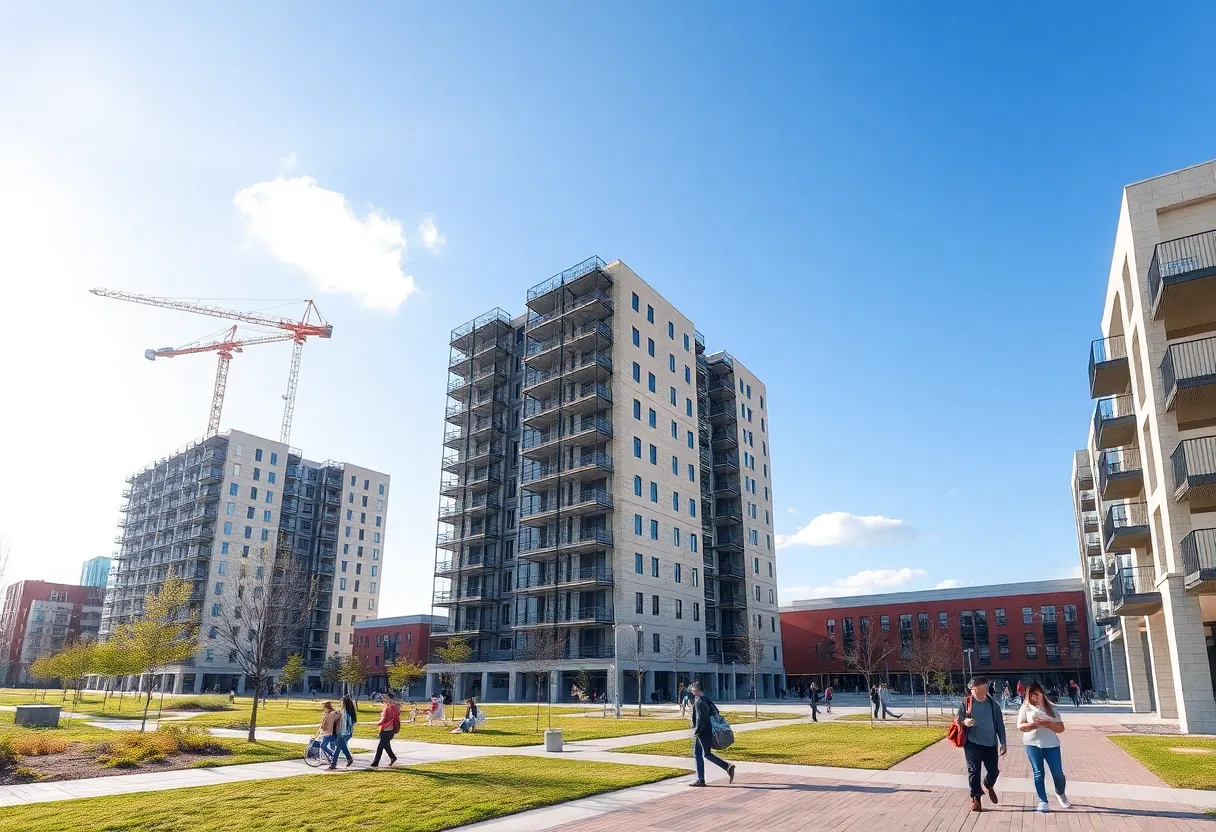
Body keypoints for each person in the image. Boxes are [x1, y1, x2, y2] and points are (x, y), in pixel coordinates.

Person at [1018, 682, 1070, 812]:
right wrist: (1032, 725)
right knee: (1038, 772)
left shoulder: (1051, 708)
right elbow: (1020, 726)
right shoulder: (1025, 708)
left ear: (1042, 693)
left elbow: (1061, 728)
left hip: (1051, 744)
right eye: (1031, 694)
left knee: (1058, 773)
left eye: (1037, 694)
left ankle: (1060, 793)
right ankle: (1043, 801)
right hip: (1032, 743)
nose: (1034, 697)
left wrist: (1048, 724)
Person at [958, 676, 1007, 813]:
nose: (973, 692)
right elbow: (959, 719)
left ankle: (988, 784)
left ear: (984, 689)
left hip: (990, 743)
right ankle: (975, 798)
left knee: (993, 771)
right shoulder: (966, 703)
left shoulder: (993, 705)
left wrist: (1003, 742)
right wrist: (965, 722)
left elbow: (999, 725)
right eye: (972, 690)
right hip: (972, 743)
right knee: (974, 770)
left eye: (976, 689)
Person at [688, 681, 735, 787]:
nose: (691, 690)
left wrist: (697, 732)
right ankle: (702, 779)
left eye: (693, 688)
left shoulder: (699, 701)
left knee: (703, 754)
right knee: (701, 754)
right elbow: (715, 712)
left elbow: (701, 719)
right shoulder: (706, 699)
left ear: (698, 690)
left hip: (702, 732)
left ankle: (725, 767)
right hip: (707, 730)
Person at [370, 692, 401, 768]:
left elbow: (385, 720)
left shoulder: (390, 708)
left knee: (381, 746)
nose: (382, 699)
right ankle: (392, 758)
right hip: (389, 730)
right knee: (385, 746)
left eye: (384, 697)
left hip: (387, 730)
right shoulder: (393, 707)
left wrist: (380, 727)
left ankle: (375, 762)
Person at [327, 695, 356, 769]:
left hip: (342, 733)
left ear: (344, 703)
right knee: (340, 747)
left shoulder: (344, 713)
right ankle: (348, 759)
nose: (341, 703)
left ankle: (334, 764)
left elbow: (341, 724)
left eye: (342, 702)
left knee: (338, 748)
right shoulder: (351, 712)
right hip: (348, 733)